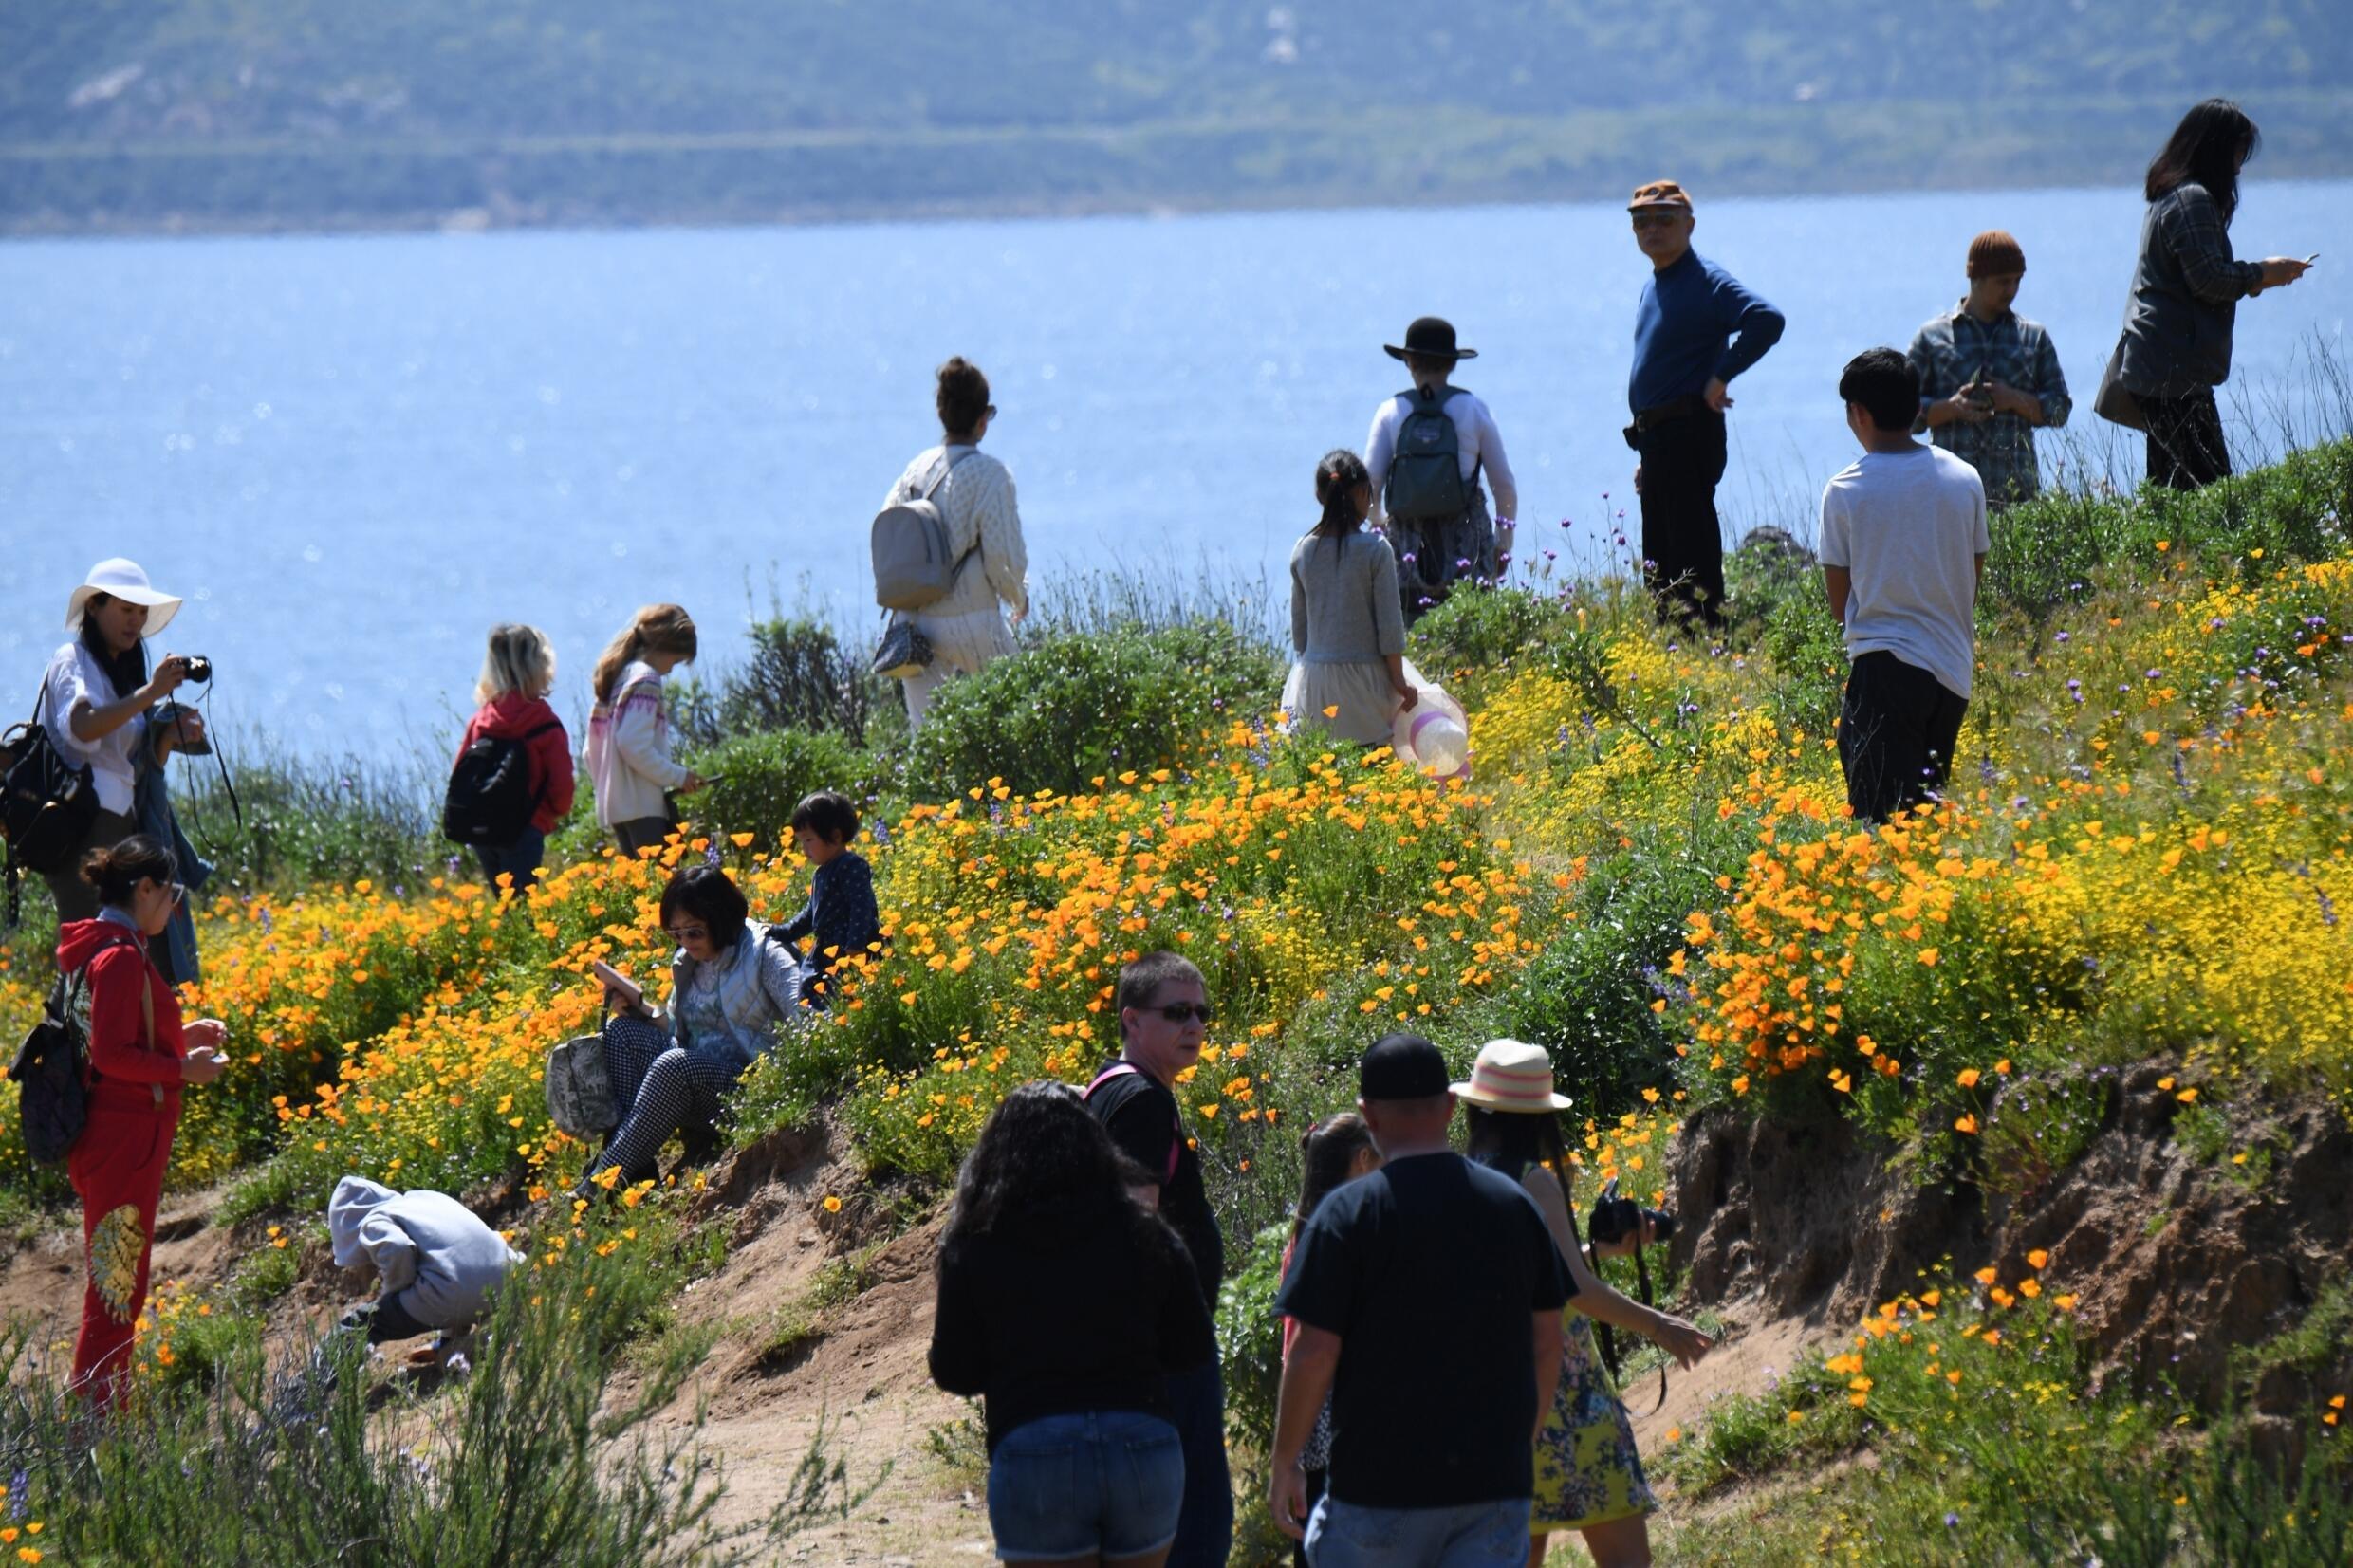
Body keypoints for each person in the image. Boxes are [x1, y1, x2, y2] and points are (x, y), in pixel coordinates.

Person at [1269, 1033, 1572, 1567]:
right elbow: (1548, 1341)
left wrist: (1286, 1460)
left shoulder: (1346, 1216)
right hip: (1493, 1487)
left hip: (1379, 1491)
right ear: (1451, 1107)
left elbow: (1312, 1352)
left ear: (1369, 1115)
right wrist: (1521, 1441)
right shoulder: (1514, 1205)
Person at [929, 1082, 1217, 1568]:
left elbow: (954, 1370)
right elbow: (1191, 1349)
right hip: (1141, 1440)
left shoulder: (976, 1243)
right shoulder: (1148, 1234)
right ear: (1097, 1146)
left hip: (1034, 1447)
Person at [1455, 1040, 1714, 1568]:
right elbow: (1573, 1290)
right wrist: (1660, 1325)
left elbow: (1527, 1273)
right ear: (1536, 1118)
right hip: (1567, 1396)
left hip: (1494, 1403)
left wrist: (1593, 1251)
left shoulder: (1458, 1180)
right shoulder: (1535, 1180)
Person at [54, 836, 230, 1409]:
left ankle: (99, 1412)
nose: (173, 905)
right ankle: (95, 1423)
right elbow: (111, 1056)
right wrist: (183, 1067)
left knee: (115, 1282)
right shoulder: (122, 956)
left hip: (109, 1136)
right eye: (171, 892)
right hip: (123, 1138)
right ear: (146, 888)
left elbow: (118, 1040)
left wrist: (183, 1037)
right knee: (116, 1287)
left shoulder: (98, 945)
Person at [1083, 951, 1230, 1568]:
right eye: (1176, 1012)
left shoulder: (1115, 1089)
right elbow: (1137, 1225)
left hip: (1138, 1348)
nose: (1194, 1024)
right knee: (1195, 1526)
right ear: (1132, 1020)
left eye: (1201, 1011)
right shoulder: (1140, 1100)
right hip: (1164, 1352)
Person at [1820, 349, 1991, 824]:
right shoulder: (1965, 479)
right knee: (1925, 820)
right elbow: (1969, 581)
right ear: (1917, 407)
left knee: (1881, 827)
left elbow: (1839, 604)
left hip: (1884, 672)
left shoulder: (1846, 491)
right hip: (1953, 673)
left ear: (1859, 413)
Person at [2113, 99, 2309, 489]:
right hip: (2172, 369)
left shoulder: (2171, 197)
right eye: (2237, 153)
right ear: (2217, 150)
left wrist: (2258, 277)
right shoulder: (2192, 200)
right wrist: (2262, 274)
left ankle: (2172, 551)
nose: (2238, 166)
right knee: (2209, 492)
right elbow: (2208, 281)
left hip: (2159, 365)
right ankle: (2194, 553)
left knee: (2174, 488)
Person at [576, 864, 801, 1196]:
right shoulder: (689, 961)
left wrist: (780, 1078)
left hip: (749, 1090)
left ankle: (600, 1185)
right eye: (675, 934)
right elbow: (680, 1032)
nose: (684, 942)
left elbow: (806, 1015)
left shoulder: (764, 953)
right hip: (694, 1079)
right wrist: (641, 1012)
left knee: (676, 1065)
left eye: (693, 932)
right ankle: (636, 1169)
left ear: (721, 918)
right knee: (621, 1032)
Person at [1623, 180, 1786, 630]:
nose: (1652, 228)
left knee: (1690, 554)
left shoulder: (1705, 280)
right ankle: (1676, 649)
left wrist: (1721, 376)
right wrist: (1646, 453)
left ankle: (1710, 645)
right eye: (1641, 220)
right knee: (1660, 560)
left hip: (1686, 432)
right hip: (1660, 441)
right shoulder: (1656, 284)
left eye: (1665, 219)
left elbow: (1766, 320)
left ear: (1689, 225)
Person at [37, 560, 210, 929]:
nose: (136, 621)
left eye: (142, 612)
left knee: (116, 942)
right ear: (94, 608)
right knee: (90, 945)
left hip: (121, 822)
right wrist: (152, 693)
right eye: (126, 609)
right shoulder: (74, 660)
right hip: (84, 822)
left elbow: (131, 763)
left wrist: (166, 736)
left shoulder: (119, 677)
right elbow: (82, 727)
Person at [882, 357, 1030, 731]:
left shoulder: (915, 469)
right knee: (1021, 716)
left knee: (928, 743)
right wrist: (1018, 598)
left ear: (941, 412)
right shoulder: (991, 475)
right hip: (972, 621)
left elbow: (885, 533)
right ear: (982, 420)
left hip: (914, 626)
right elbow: (1004, 558)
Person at [1363, 317, 1519, 621]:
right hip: (1468, 549)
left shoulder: (1390, 412)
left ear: (1409, 362)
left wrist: (1380, 525)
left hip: (1406, 551)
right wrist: (1503, 543)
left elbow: (1371, 483)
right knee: (1472, 639)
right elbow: (1504, 485)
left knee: (1409, 644)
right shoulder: (1473, 409)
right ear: (1452, 364)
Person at [1279, 1113, 1381, 1568]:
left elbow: (1290, 1351)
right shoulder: (1346, 1234)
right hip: (1344, 1431)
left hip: (1316, 1431)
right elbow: (1303, 1347)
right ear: (1362, 1160)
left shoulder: (1304, 1235)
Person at [1905, 231, 2071, 508]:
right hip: (1949, 495)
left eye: (2017, 280)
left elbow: (2059, 410)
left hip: (2017, 497)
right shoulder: (1932, 338)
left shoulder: (2034, 338)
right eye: (2003, 281)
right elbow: (1903, 413)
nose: (2012, 290)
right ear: (1976, 279)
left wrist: (2012, 400)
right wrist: (1953, 407)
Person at [1283, 451, 1423, 745]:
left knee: (1323, 770)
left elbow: (1300, 635)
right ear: (1361, 492)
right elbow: (1390, 631)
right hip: (1365, 683)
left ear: (1320, 495)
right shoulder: (1375, 550)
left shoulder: (1302, 550)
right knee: (1376, 765)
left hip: (1315, 682)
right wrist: (1400, 682)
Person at [328, 1175, 525, 1363]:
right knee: (435, 1281)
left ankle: (305, 1390)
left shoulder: (374, 1220)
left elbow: (396, 1247)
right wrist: (445, 1341)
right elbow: (453, 1261)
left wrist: (392, 1296)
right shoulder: (427, 1200)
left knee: (360, 1326)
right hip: (512, 1277)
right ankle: (458, 1345)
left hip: (456, 1292)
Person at [454, 623, 575, 891]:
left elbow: (460, 771)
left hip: (483, 830)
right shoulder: (544, 723)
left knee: (505, 906)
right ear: (540, 667)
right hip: (525, 827)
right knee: (522, 905)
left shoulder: (482, 720)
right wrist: (552, 813)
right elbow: (561, 785)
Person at [585, 603, 705, 858]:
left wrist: (612, 786)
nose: (672, 669)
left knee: (644, 891)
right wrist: (678, 776)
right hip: (643, 806)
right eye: (676, 660)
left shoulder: (616, 676)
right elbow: (632, 744)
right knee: (664, 888)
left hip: (617, 808)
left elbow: (589, 751)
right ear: (668, 647)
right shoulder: (647, 679)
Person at [779, 789, 881, 1007]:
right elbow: (811, 914)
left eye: (808, 840)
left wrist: (855, 945)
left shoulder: (851, 866)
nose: (804, 850)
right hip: (826, 949)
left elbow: (861, 907)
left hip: (850, 948)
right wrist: (785, 932)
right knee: (814, 993)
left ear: (835, 836)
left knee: (847, 998)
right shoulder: (821, 872)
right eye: (801, 842)